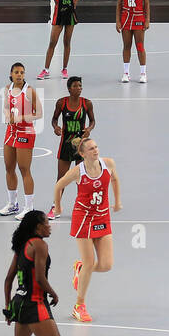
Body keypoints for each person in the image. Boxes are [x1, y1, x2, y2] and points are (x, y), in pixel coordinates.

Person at [52, 137, 120, 323]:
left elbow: (114, 178)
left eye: (96, 147)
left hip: (102, 216)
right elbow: (58, 186)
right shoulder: (77, 171)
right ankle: (79, 306)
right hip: (83, 218)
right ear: (82, 154)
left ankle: (80, 268)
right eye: (91, 149)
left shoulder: (108, 163)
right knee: (90, 262)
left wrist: (118, 201)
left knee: (106, 265)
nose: (95, 150)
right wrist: (58, 207)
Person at [48, 76, 95, 221]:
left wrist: (89, 129)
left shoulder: (86, 103)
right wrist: (56, 127)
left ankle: (83, 207)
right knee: (61, 178)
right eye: (75, 86)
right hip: (65, 145)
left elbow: (93, 121)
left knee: (81, 178)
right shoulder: (61, 103)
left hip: (81, 147)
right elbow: (54, 119)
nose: (79, 88)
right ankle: (56, 207)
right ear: (69, 88)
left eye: (80, 86)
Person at [0, 62, 42, 220]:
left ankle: (29, 207)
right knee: (9, 167)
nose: (19, 75)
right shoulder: (7, 89)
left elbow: (39, 114)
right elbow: (5, 106)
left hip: (25, 131)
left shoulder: (30, 91)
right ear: (11, 74)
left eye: (22, 72)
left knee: (24, 169)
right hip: (11, 131)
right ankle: (12, 204)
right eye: (16, 72)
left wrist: (19, 118)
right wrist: (6, 115)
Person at [37, 0, 86, 80]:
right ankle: (46, 70)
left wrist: (76, 0)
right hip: (58, 15)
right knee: (52, 43)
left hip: (70, 15)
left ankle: (64, 69)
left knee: (67, 42)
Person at [116, 0, 150, 83]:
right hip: (126, 18)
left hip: (138, 18)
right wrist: (118, 21)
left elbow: (146, 4)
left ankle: (143, 73)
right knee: (126, 46)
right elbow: (119, 4)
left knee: (140, 46)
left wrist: (147, 20)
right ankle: (126, 73)